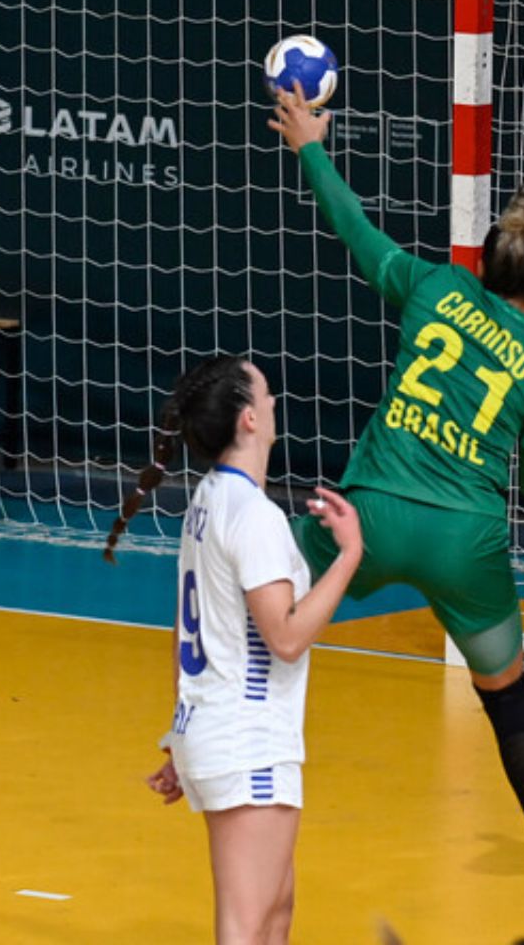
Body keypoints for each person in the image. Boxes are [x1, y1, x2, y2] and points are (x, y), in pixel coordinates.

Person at [268, 86, 524, 911]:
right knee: (509, 698)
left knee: (261, 597)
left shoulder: (435, 289)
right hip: (464, 543)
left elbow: (356, 229)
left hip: (370, 517)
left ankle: (204, 744)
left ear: (481, 263)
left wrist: (310, 146)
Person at [106, 354, 363, 945]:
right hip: (247, 742)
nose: (273, 404)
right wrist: (349, 555)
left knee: (275, 913)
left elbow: (190, 627)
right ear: (249, 419)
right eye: (266, 395)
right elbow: (287, 637)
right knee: (247, 927)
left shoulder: (208, 498)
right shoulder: (253, 515)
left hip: (216, 730)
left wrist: (183, 736)